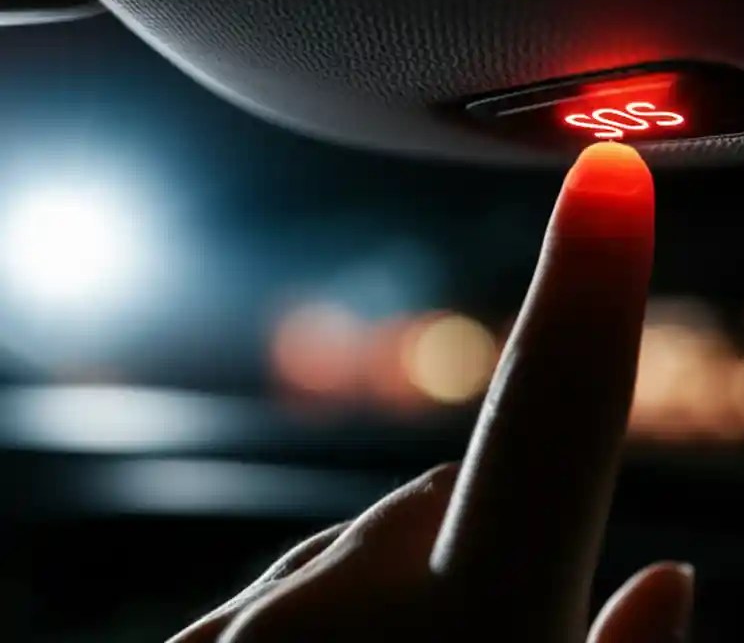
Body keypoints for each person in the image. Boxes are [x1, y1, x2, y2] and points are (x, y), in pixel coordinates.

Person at [168, 142, 693, 642]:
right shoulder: (397, 433)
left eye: (316, 340)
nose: (325, 356)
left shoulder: (402, 266)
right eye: (312, 368)